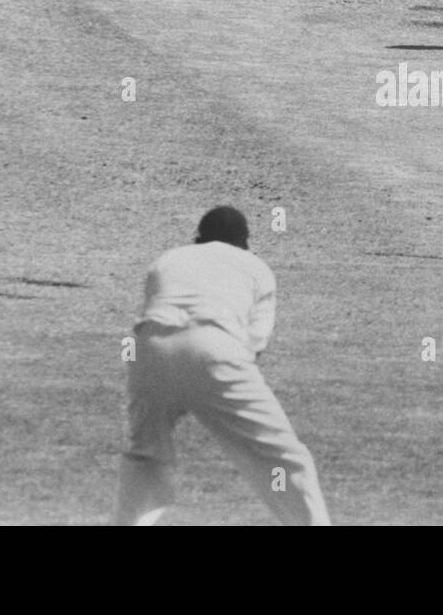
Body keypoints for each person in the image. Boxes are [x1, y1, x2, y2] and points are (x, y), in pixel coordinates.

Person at [114, 206, 330, 526]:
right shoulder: (255, 267)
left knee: (145, 457)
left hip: (150, 349)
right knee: (283, 460)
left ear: (198, 238)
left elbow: (151, 311)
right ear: (244, 242)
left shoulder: (170, 258)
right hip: (215, 348)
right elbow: (253, 345)